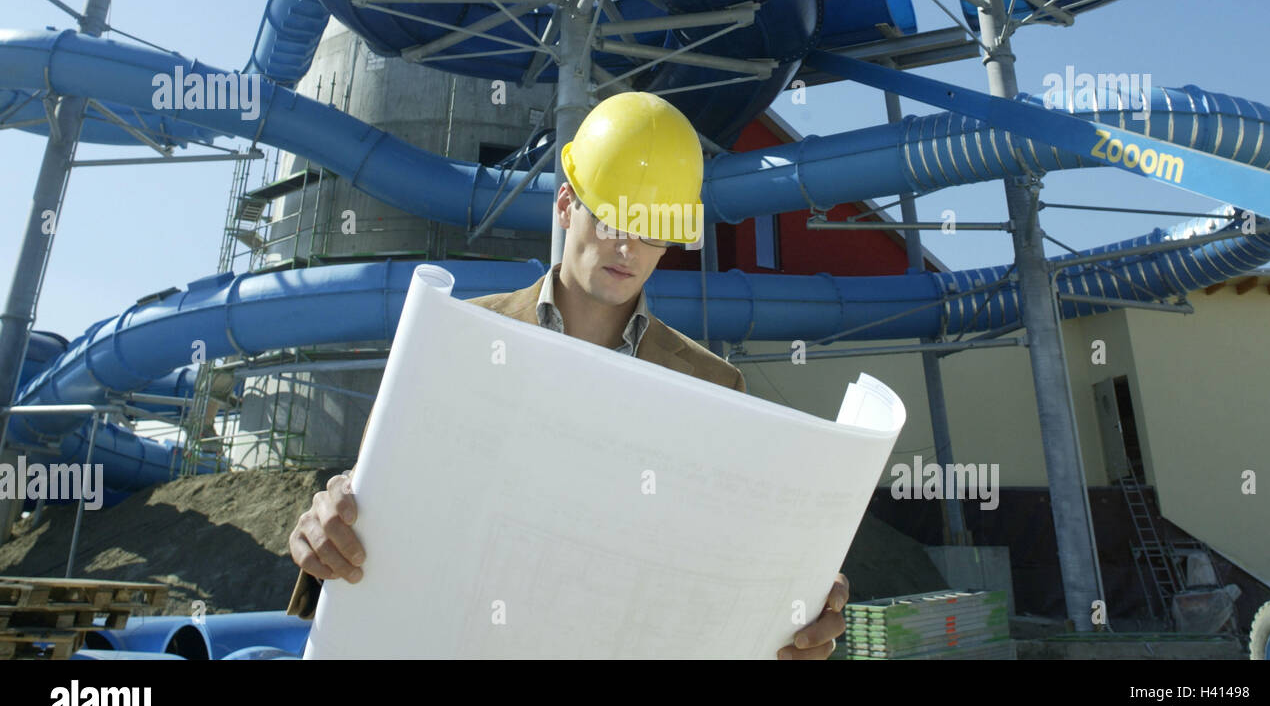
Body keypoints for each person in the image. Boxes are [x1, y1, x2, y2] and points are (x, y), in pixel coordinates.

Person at [287, 91, 849, 659]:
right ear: (564, 205)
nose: (628, 246)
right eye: (611, 218)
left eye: (651, 229)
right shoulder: (451, 340)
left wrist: (790, 614)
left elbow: (725, 574)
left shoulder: (714, 390)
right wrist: (323, 533)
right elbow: (374, 519)